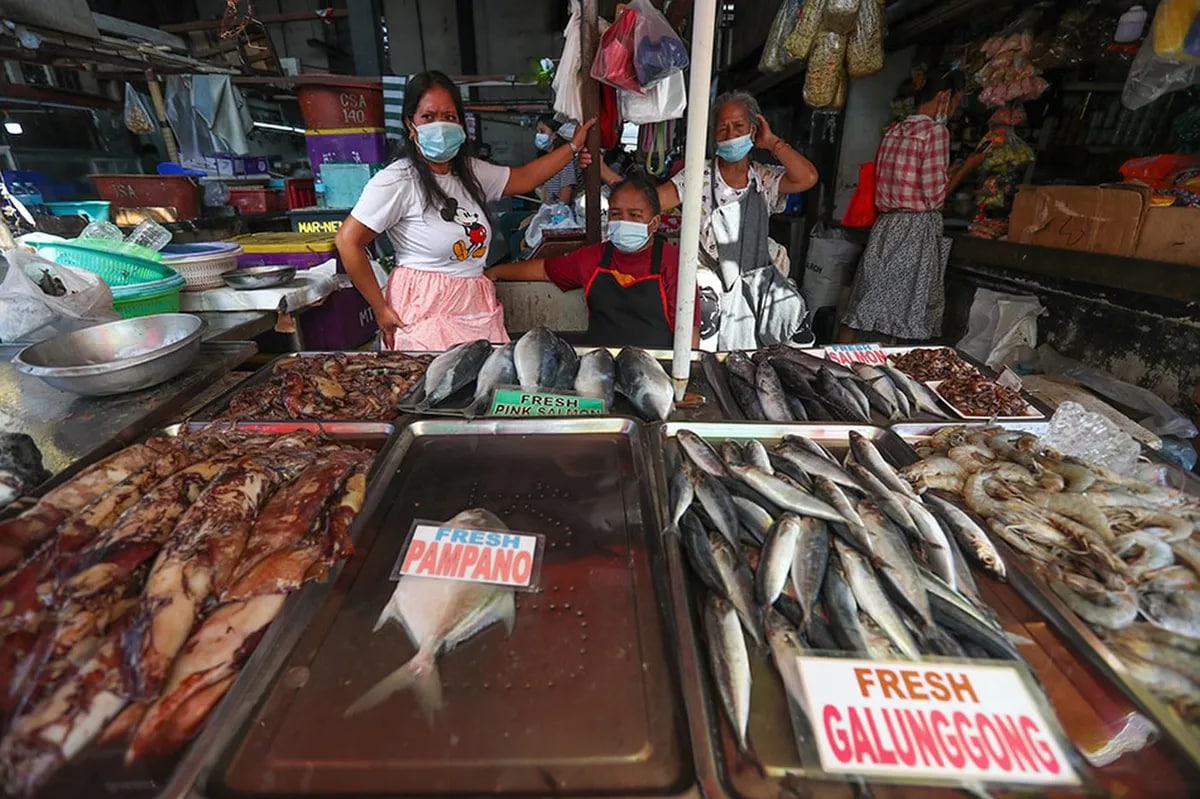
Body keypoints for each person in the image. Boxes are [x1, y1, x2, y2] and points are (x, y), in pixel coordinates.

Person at [335, 71, 593, 350]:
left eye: (449, 116)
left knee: (481, 388)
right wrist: (379, 306)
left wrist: (572, 147)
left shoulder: (470, 172)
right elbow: (348, 241)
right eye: (428, 117)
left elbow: (525, 178)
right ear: (411, 125)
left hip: (474, 303)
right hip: (425, 308)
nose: (441, 125)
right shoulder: (398, 179)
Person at [605, 91, 819, 351]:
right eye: (722, 128)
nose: (730, 134)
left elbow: (807, 177)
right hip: (709, 272)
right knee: (705, 325)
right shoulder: (698, 175)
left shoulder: (763, 178)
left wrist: (772, 142)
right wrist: (603, 173)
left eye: (738, 126)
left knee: (786, 322)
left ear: (753, 130)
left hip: (757, 272)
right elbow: (648, 202)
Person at [841, 69, 984, 342]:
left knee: (864, 303)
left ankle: (835, 365)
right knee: (901, 316)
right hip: (913, 231)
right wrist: (967, 167)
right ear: (943, 97)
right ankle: (880, 373)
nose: (954, 110)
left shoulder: (895, 130)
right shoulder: (935, 133)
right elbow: (934, 199)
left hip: (886, 227)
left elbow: (908, 181)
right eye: (954, 102)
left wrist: (947, 171)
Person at [486, 174, 699, 349]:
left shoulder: (675, 263)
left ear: (654, 223)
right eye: (616, 214)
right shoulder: (594, 257)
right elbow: (544, 269)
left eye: (635, 215)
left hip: (658, 364)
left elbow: (689, 332)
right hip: (600, 362)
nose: (624, 221)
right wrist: (497, 271)